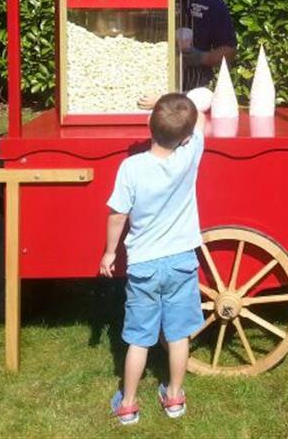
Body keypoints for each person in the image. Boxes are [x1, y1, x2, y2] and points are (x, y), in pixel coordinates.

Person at [100, 91, 207, 426]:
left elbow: (117, 214)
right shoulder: (190, 155)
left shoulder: (131, 167)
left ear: (149, 124)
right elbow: (199, 117)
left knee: (138, 338)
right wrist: (166, 100)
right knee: (178, 336)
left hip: (144, 264)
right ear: (187, 137)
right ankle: (174, 396)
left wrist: (109, 251)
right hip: (180, 261)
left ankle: (129, 403)